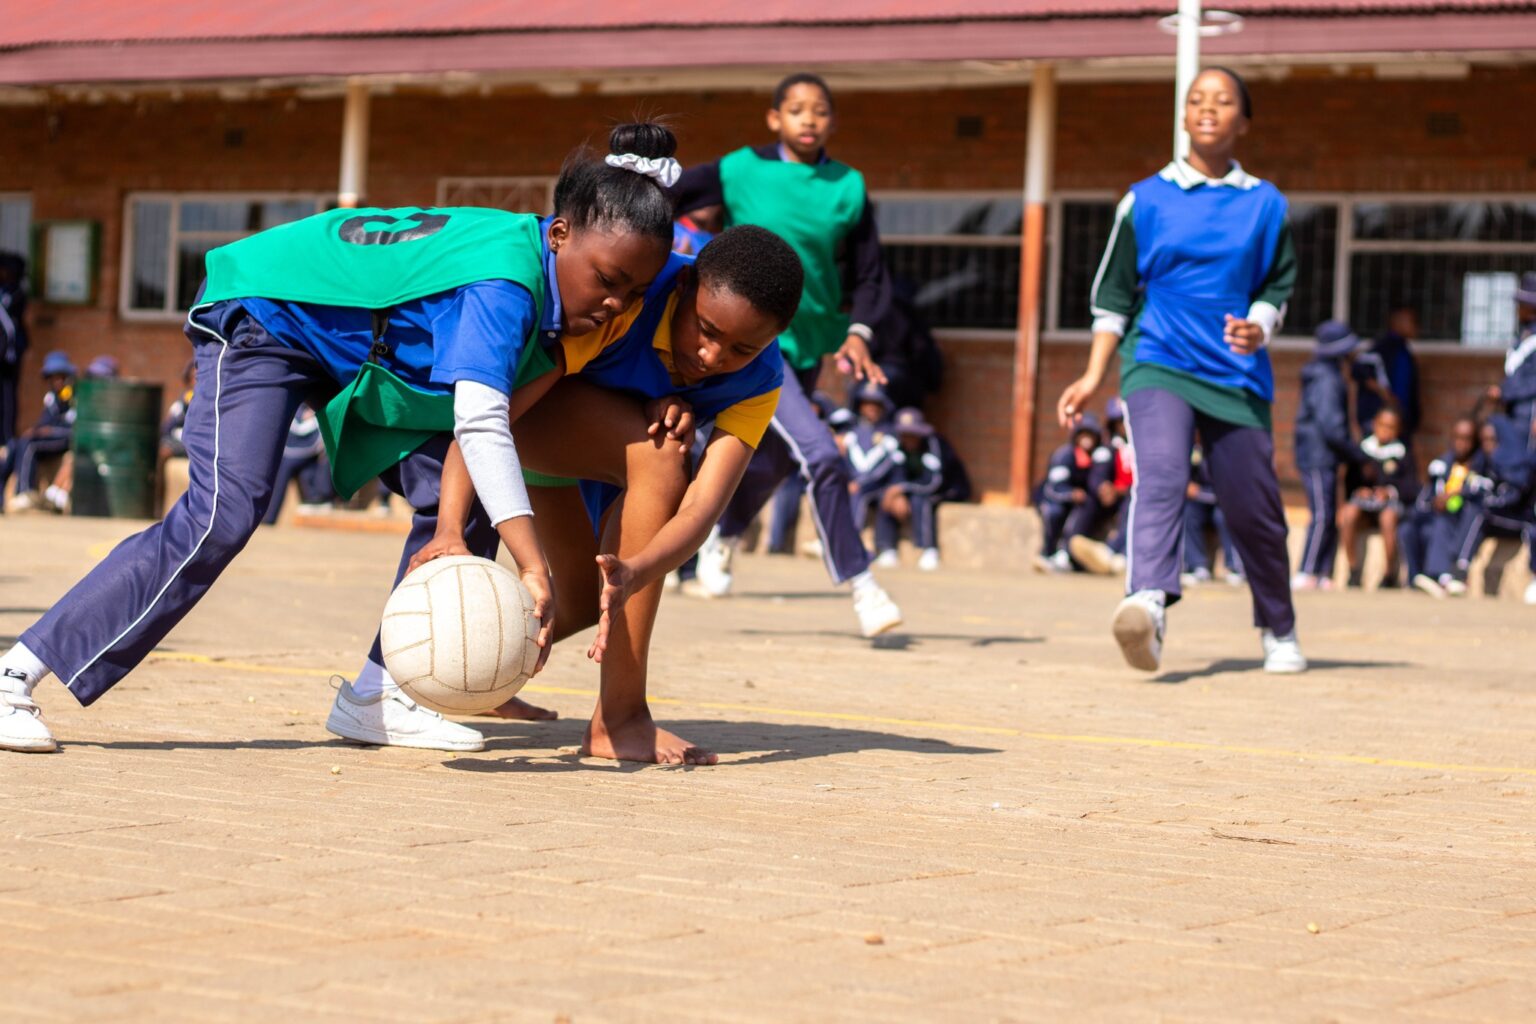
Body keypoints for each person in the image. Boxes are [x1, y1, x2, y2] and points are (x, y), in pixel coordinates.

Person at [0, 122, 680, 754]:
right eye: (609, 282)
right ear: (558, 233)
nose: (617, 303)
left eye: (635, 292)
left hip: (347, 345)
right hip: (265, 309)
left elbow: (713, 280)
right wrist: (533, 564)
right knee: (223, 512)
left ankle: (379, 695)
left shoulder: (567, 274)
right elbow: (478, 421)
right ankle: (17, 674)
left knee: (459, 507)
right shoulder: (505, 283)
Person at [413, 225, 802, 764]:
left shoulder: (761, 381)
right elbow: (489, 418)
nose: (713, 356)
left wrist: (637, 569)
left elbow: (702, 509)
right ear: (684, 288)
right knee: (664, 455)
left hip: (580, 458)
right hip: (525, 419)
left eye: (742, 348)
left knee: (570, 603)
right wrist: (449, 525)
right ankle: (620, 719)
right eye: (706, 330)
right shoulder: (632, 289)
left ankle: (478, 670)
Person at [1057, 66, 1305, 674]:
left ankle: (1279, 627)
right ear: (1185, 115)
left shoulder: (1265, 203)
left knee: (1255, 512)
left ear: (1242, 122)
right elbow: (1113, 296)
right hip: (1157, 358)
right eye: (1197, 99)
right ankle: (1148, 601)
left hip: (1236, 374)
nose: (1208, 108)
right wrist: (1092, 376)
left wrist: (1260, 324)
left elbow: (1279, 283)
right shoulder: (1145, 199)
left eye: (1223, 101)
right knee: (1161, 473)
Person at [673, 72, 903, 639]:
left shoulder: (847, 186)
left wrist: (860, 332)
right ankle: (863, 586)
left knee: (773, 461)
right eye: (796, 109)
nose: (809, 119)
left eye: (820, 110)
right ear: (774, 118)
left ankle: (720, 541)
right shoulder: (739, 170)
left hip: (809, 348)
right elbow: (665, 195)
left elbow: (872, 274)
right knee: (822, 454)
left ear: (831, 121)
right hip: (756, 344)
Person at [1292, 319, 1362, 590]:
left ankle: (1322, 571)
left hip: (1326, 455)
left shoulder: (1329, 375)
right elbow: (1331, 425)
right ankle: (1306, 570)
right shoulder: (1326, 379)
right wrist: (1354, 452)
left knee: (1330, 511)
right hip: (1318, 454)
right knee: (1321, 512)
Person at [857, 407, 969, 571]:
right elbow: (893, 473)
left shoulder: (934, 444)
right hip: (912, 488)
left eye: (912, 434)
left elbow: (934, 482)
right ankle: (887, 549)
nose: (908, 439)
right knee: (886, 498)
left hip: (948, 489)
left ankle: (928, 549)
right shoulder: (898, 446)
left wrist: (902, 489)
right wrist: (896, 493)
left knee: (920, 501)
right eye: (904, 434)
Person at [1450, 417, 1536, 603]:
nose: (1487, 446)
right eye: (1484, 441)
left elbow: (1513, 498)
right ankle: (1452, 570)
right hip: (1496, 517)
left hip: (1520, 519)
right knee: (1470, 511)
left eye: (1492, 440)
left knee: (1480, 513)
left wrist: (1490, 499)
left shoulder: (1519, 462)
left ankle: (1460, 571)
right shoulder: (1484, 461)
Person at [1401, 417, 1486, 598]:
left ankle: (1438, 575)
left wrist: (1457, 493)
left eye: (1467, 439)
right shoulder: (1441, 465)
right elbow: (1424, 499)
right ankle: (1415, 578)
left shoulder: (1480, 466)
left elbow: (1482, 493)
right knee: (1407, 528)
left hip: (1461, 517)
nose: (1461, 443)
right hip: (1437, 513)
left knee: (1442, 522)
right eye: (1457, 437)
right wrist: (1435, 502)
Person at [1339, 408, 1417, 589]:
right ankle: (1353, 571)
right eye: (1382, 425)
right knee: (1349, 514)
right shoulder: (1363, 449)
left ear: (1397, 430)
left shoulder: (1401, 453)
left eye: (1391, 427)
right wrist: (1360, 491)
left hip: (1389, 504)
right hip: (1365, 505)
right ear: (1374, 425)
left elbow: (1411, 488)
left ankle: (1389, 575)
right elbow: (1348, 480)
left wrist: (1389, 492)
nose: (1385, 430)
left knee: (1388, 518)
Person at [1, 350, 76, 514]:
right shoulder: (51, 397)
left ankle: (26, 492)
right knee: (17, 443)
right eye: (52, 377)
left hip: (66, 436)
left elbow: (71, 426)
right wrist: (36, 430)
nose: (56, 381)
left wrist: (46, 431)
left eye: (59, 376)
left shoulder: (72, 395)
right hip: (49, 437)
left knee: (30, 445)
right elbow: (44, 423)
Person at [1034, 414, 1109, 574]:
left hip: (1079, 502)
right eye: (1084, 434)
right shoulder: (1064, 456)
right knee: (1054, 512)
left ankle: (1066, 555)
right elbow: (1053, 488)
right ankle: (1047, 554)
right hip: (1055, 498)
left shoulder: (1098, 456)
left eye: (1091, 435)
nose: (1087, 439)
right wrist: (1070, 494)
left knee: (1085, 506)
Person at [1069, 397, 1134, 576]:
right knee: (1087, 500)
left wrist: (1119, 491)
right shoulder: (1107, 448)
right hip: (1110, 497)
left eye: (1126, 420)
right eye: (1118, 421)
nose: (1123, 425)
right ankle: (1071, 551)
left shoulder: (1141, 447)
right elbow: (1098, 473)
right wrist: (1103, 488)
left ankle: (1113, 553)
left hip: (1129, 495)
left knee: (1134, 504)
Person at [1353, 301, 1422, 445]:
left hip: (1401, 422)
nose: (1416, 326)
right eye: (1411, 321)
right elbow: (1361, 371)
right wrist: (1388, 398)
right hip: (1383, 421)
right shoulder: (1382, 349)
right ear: (1397, 320)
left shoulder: (1404, 350)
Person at [1181, 443, 1244, 586]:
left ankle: (1235, 567)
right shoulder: (1193, 448)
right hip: (1201, 500)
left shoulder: (1227, 448)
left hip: (1225, 499)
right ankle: (1197, 566)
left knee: (1223, 517)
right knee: (1187, 513)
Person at [262, 403, 335, 523]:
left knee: (303, 471)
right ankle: (269, 517)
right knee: (286, 470)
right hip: (293, 451)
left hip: (310, 452)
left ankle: (317, 499)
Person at [0, 252, 28, 448]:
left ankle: (7, 437)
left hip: (8, 355)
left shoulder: (16, 293)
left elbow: (9, 323)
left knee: (8, 396)